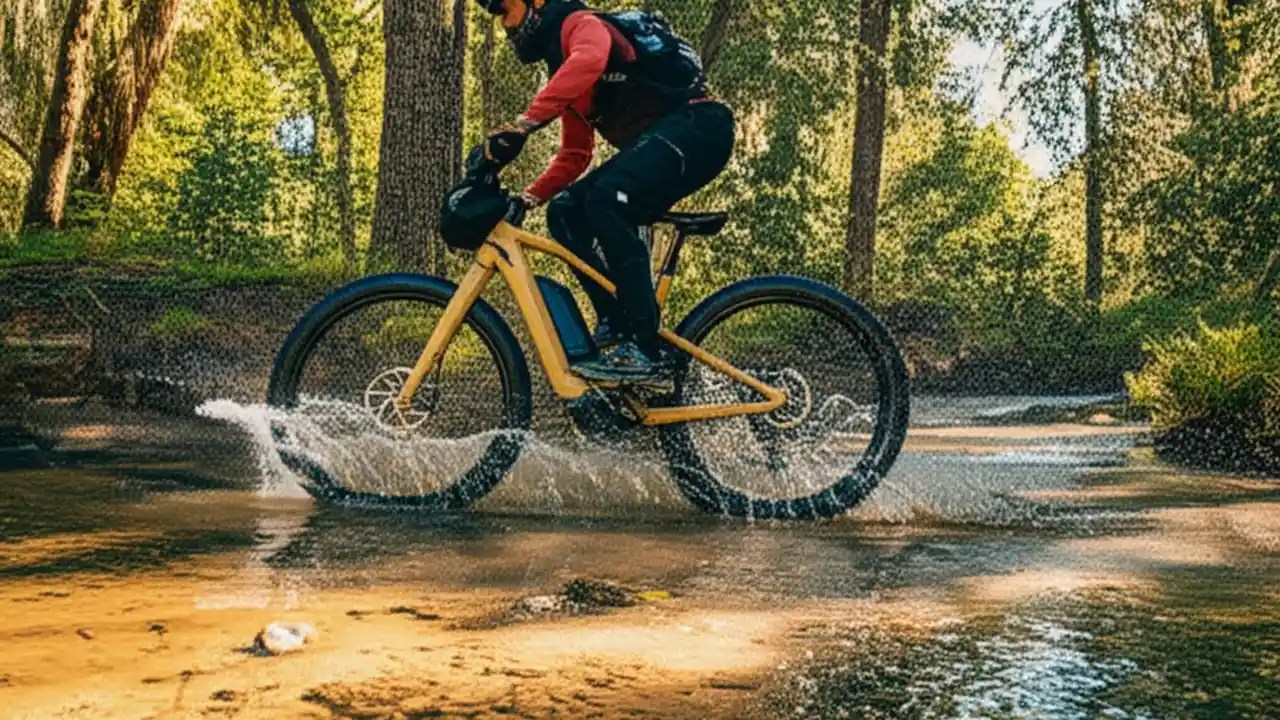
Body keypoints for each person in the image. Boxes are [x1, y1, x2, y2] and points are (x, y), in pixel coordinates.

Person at [476, 0, 735, 385]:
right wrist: (525, 199)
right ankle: (616, 321)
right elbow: (574, 156)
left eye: (504, 11)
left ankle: (644, 350)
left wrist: (523, 124)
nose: (504, 27)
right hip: (670, 138)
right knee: (564, 212)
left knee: (607, 201)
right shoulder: (568, 76)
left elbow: (591, 60)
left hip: (700, 127)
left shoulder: (580, 25)